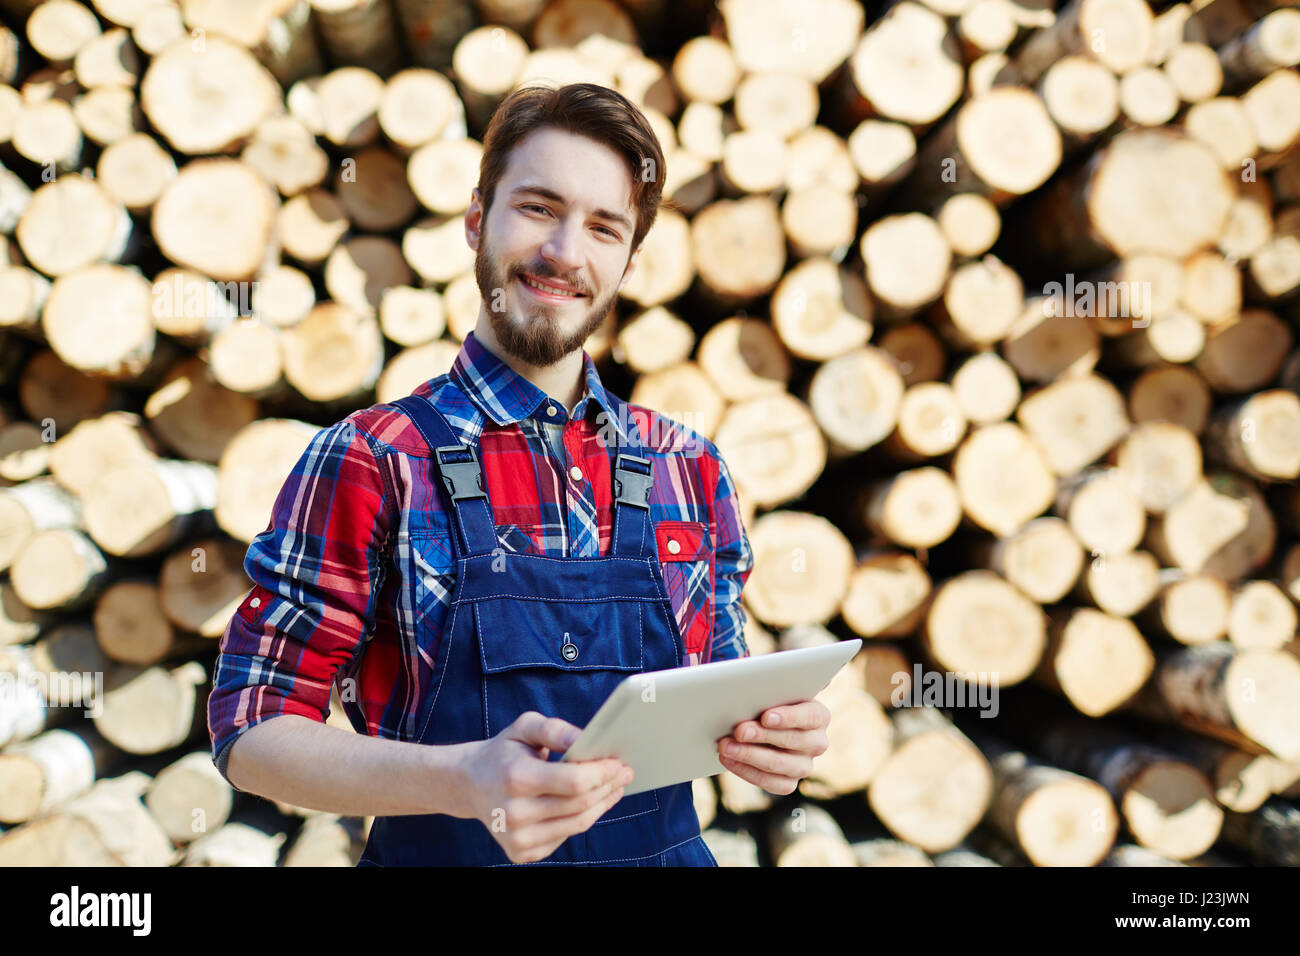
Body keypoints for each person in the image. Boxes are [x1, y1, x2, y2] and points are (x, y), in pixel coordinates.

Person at [208, 82, 831, 866]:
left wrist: (768, 740)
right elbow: (251, 727)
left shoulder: (689, 468)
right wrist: (458, 778)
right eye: (539, 207)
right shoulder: (374, 458)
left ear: (631, 262)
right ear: (477, 220)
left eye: (604, 228)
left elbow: (717, 699)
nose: (566, 252)